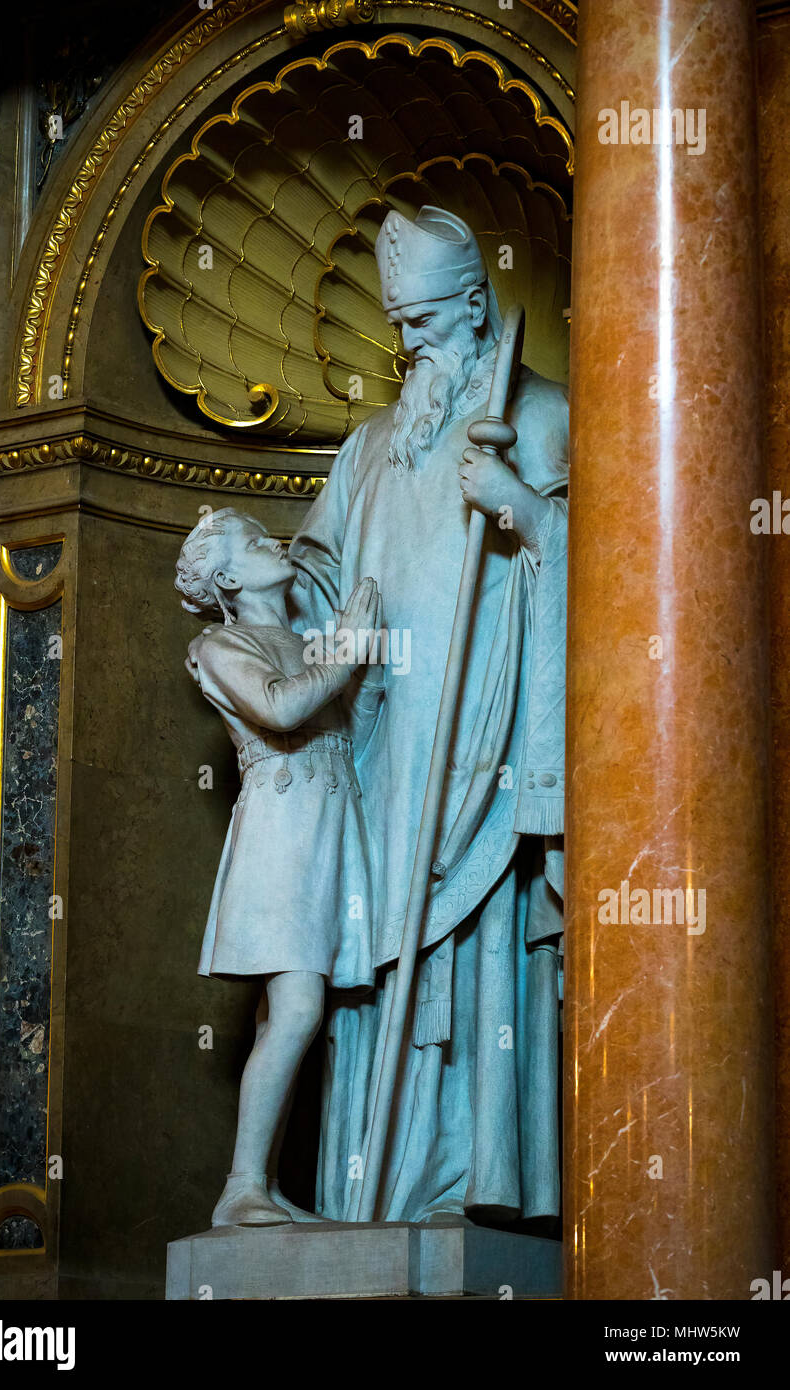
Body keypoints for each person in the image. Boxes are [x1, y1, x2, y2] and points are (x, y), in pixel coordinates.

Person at [288, 206, 570, 1225]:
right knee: (374, 955)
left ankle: (474, 1183)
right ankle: (373, 1196)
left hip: (483, 741)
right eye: (394, 324)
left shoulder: (538, 420)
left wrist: (525, 507)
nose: (403, 344)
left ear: (472, 302)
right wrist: (264, 597)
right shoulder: (365, 451)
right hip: (381, 751)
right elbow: (317, 584)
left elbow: (612, 581)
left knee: (477, 944)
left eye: (421, 323)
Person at [176, 507, 383, 1225]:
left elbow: (351, 719)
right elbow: (283, 708)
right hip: (282, 827)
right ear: (228, 576)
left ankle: (258, 1184)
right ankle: (241, 1188)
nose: (279, 544)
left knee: (287, 1016)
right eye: (258, 542)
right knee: (297, 1009)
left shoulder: (304, 639)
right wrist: (347, 652)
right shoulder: (220, 644)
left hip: (328, 826)